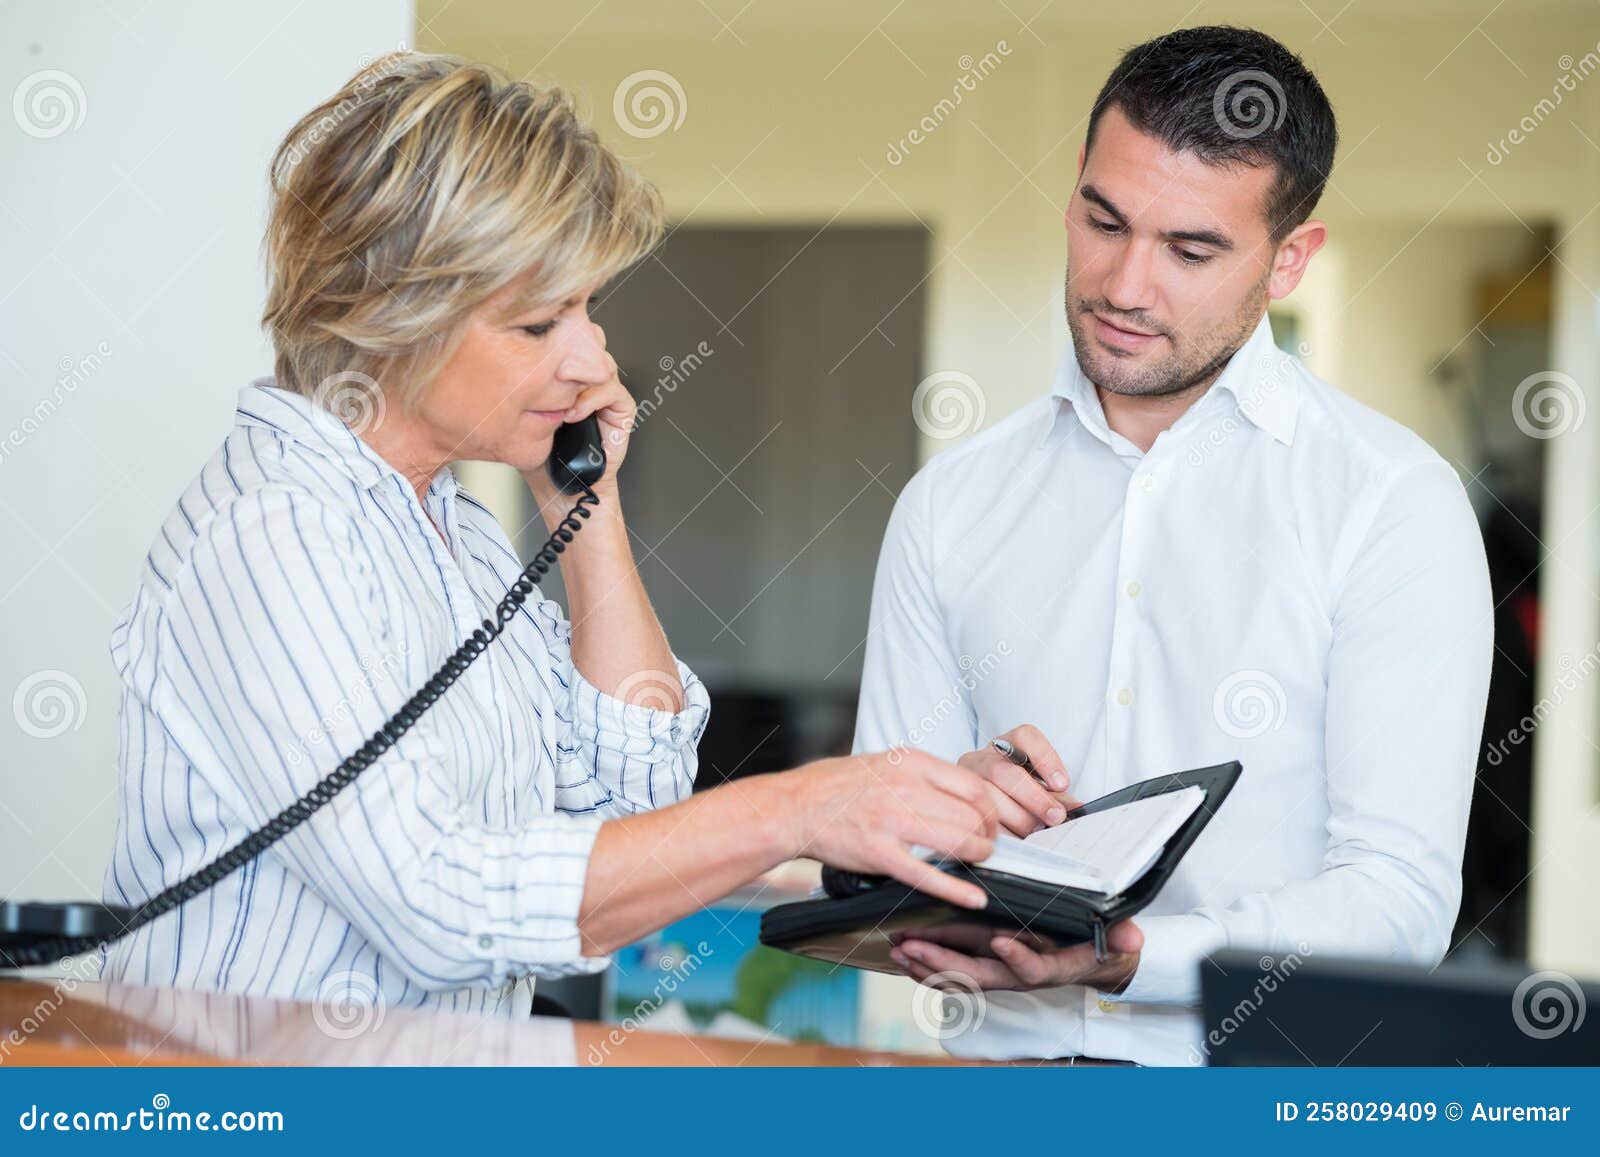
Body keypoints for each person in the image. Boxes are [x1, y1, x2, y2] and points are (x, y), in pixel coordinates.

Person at [101, 53, 1008, 1015]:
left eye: (586, 306)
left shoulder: (454, 535)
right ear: (388, 315)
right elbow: (434, 905)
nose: (595, 358)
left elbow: (637, 820)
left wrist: (587, 505)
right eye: (539, 323)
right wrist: (799, 804)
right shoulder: (274, 533)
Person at [854, 25, 1493, 1065]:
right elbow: (879, 870)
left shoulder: (1389, 503)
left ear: (1289, 258)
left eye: (1190, 250)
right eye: (1104, 221)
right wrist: (943, 819)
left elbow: (1398, 898)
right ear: (1074, 189)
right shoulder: (948, 505)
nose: (1125, 285)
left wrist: (1127, 953)